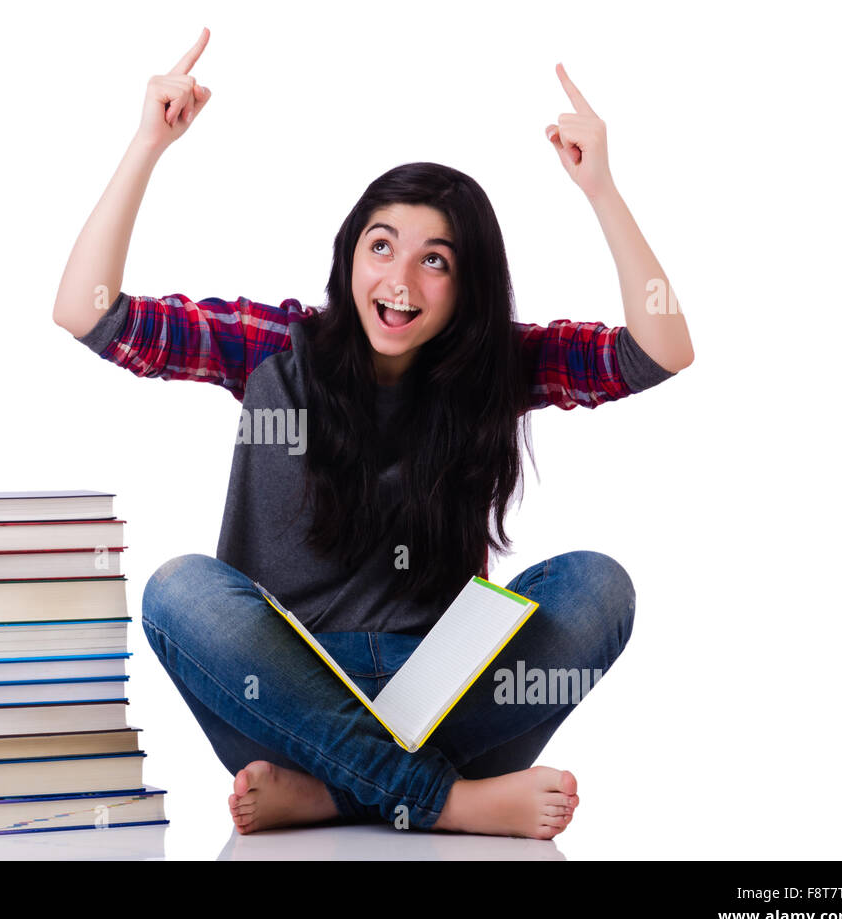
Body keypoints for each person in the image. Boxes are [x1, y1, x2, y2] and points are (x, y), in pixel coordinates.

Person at [52, 28, 694, 838]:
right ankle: (444, 801)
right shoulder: (275, 350)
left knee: (599, 585)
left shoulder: (498, 366)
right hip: (283, 698)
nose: (398, 279)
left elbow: (662, 349)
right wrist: (148, 144)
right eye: (381, 246)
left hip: (441, 696)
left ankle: (334, 792)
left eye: (436, 261)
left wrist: (601, 189)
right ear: (349, 256)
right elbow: (89, 311)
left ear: (469, 286)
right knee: (179, 589)